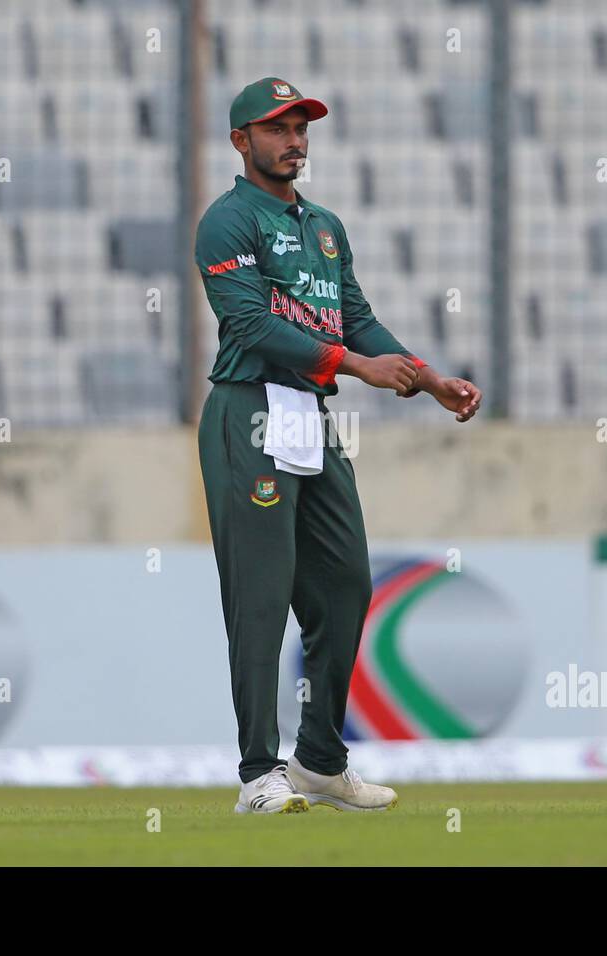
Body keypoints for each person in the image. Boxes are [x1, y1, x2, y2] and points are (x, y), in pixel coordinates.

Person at [194, 77, 482, 814]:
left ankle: (319, 761)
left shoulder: (324, 226)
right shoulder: (227, 222)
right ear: (241, 141)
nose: (294, 141)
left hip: (310, 417)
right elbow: (254, 328)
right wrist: (359, 368)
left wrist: (427, 378)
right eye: (277, 129)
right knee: (260, 599)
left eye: (301, 128)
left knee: (347, 584)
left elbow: (354, 318)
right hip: (248, 412)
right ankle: (260, 774)